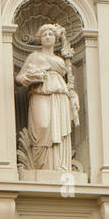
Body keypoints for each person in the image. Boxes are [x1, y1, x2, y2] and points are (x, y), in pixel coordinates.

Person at [15, 23, 80, 174]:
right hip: (40, 92)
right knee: (43, 126)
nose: (48, 37)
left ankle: (59, 165)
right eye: (44, 34)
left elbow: (69, 82)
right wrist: (29, 78)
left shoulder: (61, 61)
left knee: (59, 129)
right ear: (40, 38)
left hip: (59, 96)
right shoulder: (34, 56)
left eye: (50, 34)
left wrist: (73, 96)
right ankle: (40, 165)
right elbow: (19, 78)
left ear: (55, 38)